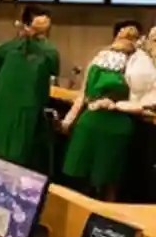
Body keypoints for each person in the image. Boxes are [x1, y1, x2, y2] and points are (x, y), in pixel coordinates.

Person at [62, 20, 156, 200]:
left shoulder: (141, 63)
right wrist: (67, 121)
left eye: (132, 36)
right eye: (124, 34)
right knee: (87, 180)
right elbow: (83, 95)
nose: (127, 39)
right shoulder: (102, 57)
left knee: (108, 178)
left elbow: (146, 102)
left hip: (114, 125)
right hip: (94, 123)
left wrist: (116, 105)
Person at [0, 6, 59, 171]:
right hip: (27, 112)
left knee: (0, 158)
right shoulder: (49, 52)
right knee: (22, 161)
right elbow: (53, 71)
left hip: (5, 110)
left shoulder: (3, 49)